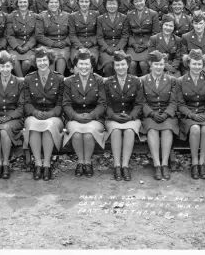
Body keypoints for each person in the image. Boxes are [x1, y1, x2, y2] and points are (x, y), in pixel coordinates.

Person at [62, 49, 107, 177]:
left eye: (86, 64)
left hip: (94, 118)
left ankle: (87, 162)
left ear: (91, 66)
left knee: (88, 134)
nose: (83, 67)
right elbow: (66, 104)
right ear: (76, 65)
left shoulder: (98, 81)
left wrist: (91, 115)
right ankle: (80, 162)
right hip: (74, 117)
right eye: (81, 64)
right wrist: (75, 116)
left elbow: (102, 104)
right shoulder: (69, 82)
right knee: (76, 134)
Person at [22, 47, 65, 181]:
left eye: (44, 60)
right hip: (34, 114)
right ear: (35, 62)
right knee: (34, 126)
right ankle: (37, 164)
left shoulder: (58, 78)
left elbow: (61, 103)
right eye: (39, 60)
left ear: (49, 60)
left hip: (54, 116)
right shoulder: (29, 79)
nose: (42, 63)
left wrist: (52, 113)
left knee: (48, 127)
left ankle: (46, 164)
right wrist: (34, 112)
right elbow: (26, 102)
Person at [103, 51, 145, 181]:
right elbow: (105, 104)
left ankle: (125, 165)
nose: (120, 68)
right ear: (114, 67)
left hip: (131, 116)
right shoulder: (108, 82)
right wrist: (113, 116)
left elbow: (139, 104)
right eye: (117, 65)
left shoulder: (136, 81)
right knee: (115, 131)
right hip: (113, 117)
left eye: (123, 64)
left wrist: (131, 116)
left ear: (127, 65)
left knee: (129, 131)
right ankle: (116, 165)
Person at [176, 49, 205, 180]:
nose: (197, 67)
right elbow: (180, 104)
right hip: (189, 115)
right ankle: (194, 162)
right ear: (188, 64)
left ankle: (202, 162)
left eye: (199, 64)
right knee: (194, 128)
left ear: (203, 64)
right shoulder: (181, 81)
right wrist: (191, 115)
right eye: (194, 64)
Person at [0, 51, 25, 180]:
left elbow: (21, 107)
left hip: (13, 118)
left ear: (12, 66)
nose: (5, 70)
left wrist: (9, 117)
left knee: (4, 131)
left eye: (8, 66)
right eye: (2, 67)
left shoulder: (19, 82)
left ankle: (6, 163)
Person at [140, 50, 178, 181]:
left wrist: (167, 113)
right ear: (150, 65)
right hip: (150, 114)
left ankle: (165, 164)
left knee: (167, 129)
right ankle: (157, 164)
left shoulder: (171, 80)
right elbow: (142, 101)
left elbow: (173, 101)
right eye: (156, 64)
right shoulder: (143, 80)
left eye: (161, 64)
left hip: (167, 115)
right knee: (152, 129)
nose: (158, 67)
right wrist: (151, 113)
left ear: (164, 65)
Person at [125, 0, 160, 75]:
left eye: (140, 0)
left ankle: (145, 84)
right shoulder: (129, 14)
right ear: (133, 3)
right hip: (134, 45)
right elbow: (128, 33)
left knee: (143, 64)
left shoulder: (153, 14)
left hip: (148, 44)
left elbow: (156, 33)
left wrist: (146, 45)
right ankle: (134, 85)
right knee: (131, 64)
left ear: (144, 0)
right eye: (136, 2)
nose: (139, 3)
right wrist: (134, 44)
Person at [35, 0, 70, 75]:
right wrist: (54, 44)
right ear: (47, 3)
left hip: (63, 45)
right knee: (49, 56)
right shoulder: (41, 16)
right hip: (47, 45)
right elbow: (39, 36)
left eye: (56, 2)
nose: (53, 4)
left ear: (60, 4)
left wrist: (65, 42)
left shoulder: (67, 16)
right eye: (51, 2)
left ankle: (59, 79)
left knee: (62, 56)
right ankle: (49, 80)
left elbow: (71, 33)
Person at [96, 0, 129, 77]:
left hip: (120, 46)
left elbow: (125, 36)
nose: (112, 6)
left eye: (114, 4)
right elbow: (99, 37)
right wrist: (107, 49)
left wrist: (118, 48)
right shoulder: (100, 18)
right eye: (109, 4)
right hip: (106, 47)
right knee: (108, 65)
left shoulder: (124, 17)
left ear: (118, 5)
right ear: (105, 5)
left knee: (120, 63)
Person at [6, 0, 39, 76]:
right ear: (17, 3)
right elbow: (10, 35)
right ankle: (22, 81)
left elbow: (35, 35)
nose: (22, 4)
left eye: (25, 2)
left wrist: (27, 47)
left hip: (29, 47)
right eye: (20, 2)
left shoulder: (35, 16)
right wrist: (17, 47)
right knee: (14, 61)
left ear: (29, 3)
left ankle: (21, 80)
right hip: (15, 47)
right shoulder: (11, 16)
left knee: (27, 63)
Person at [68, 0, 100, 65]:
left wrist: (92, 42)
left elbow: (99, 32)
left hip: (92, 45)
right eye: (82, 1)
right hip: (78, 45)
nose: (84, 4)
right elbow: (72, 35)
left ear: (90, 3)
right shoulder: (72, 16)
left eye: (86, 2)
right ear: (78, 2)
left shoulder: (96, 14)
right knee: (77, 62)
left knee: (91, 61)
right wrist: (80, 47)